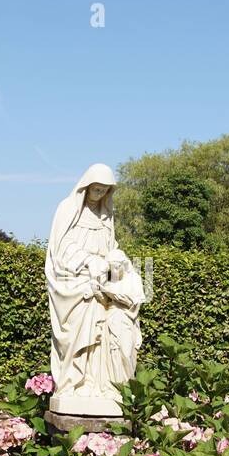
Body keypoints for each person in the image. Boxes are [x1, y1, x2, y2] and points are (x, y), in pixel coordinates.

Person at [45, 164, 144, 415]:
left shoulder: (105, 215)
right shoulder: (68, 209)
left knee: (102, 333)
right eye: (95, 189)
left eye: (104, 191)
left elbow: (112, 248)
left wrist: (116, 266)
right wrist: (88, 261)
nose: (98, 194)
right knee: (78, 332)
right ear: (86, 186)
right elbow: (60, 247)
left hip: (101, 282)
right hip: (76, 281)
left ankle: (97, 384)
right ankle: (72, 384)